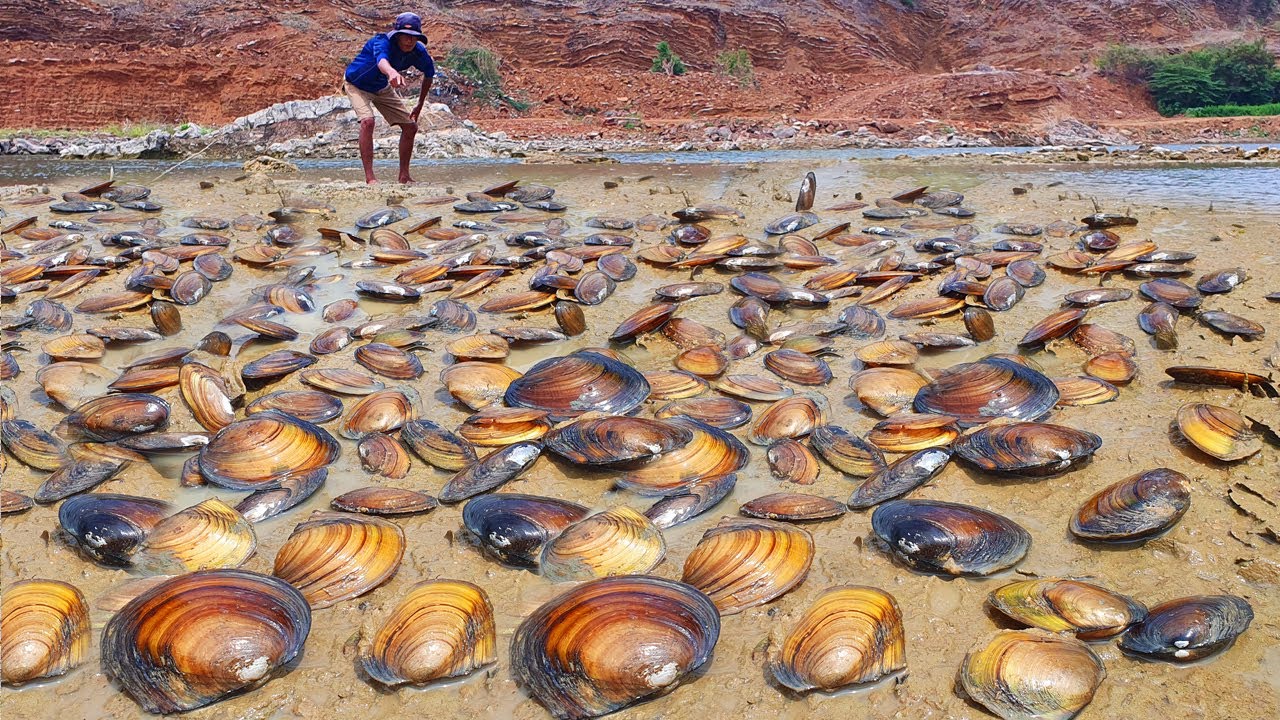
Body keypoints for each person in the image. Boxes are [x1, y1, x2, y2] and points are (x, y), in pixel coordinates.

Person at [342, 12, 435, 184]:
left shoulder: (419, 53)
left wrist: (420, 104)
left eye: (414, 37)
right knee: (368, 121)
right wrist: (391, 71)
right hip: (356, 84)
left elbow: (429, 75)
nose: (409, 41)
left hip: (381, 87)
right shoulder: (382, 41)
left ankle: (404, 176)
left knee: (410, 127)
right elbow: (381, 61)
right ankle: (370, 179)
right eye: (405, 36)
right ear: (397, 35)